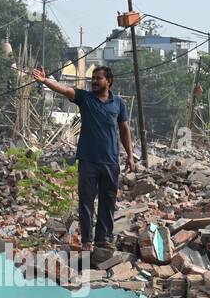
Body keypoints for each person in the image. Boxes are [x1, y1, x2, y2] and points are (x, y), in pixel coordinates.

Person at [32, 64, 134, 266]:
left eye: (98, 78)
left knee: (108, 202)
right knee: (86, 202)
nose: (94, 81)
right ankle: (87, 240)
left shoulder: (119, 104)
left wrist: (130, 155)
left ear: (109, 81)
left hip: (111, 161)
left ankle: (103, 239)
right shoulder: (85, 99)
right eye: (93, 78)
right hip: (88, 160)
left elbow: (124, 130)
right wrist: (45, 81)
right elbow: (65, 90)